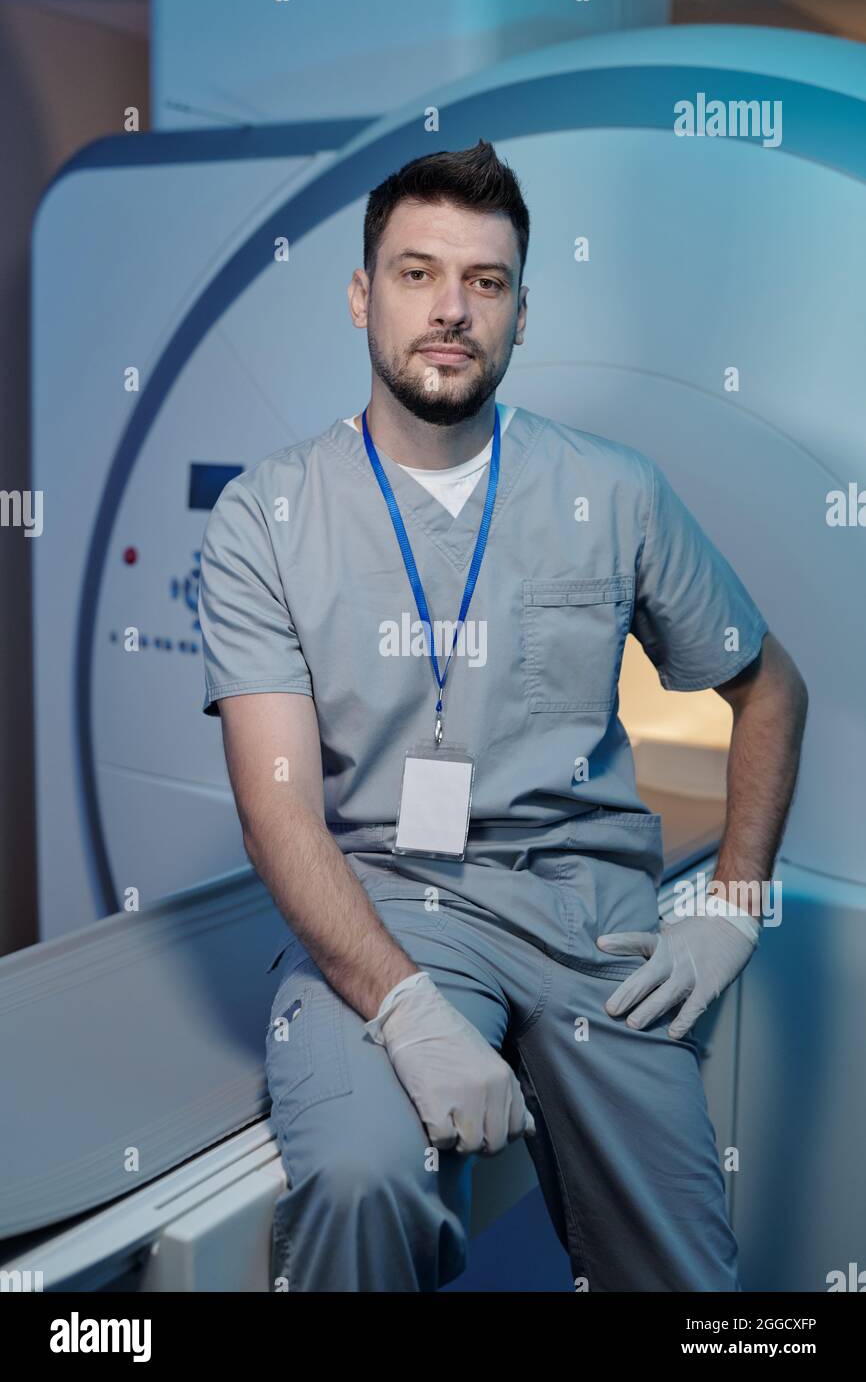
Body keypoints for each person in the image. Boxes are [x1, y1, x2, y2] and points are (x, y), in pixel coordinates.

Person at [197, 140, 808, 1292]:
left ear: (520, 314)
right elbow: (276, 814)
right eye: (416, 272)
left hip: (585, 916)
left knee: (686, 1272)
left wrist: (730, 907)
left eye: (485, 282)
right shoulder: (266, 516)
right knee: (363, 1182)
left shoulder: (611, 491)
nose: (450, 309)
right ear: (359, 295)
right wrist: (407, 1009)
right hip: (380, 896)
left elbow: (767, 684)